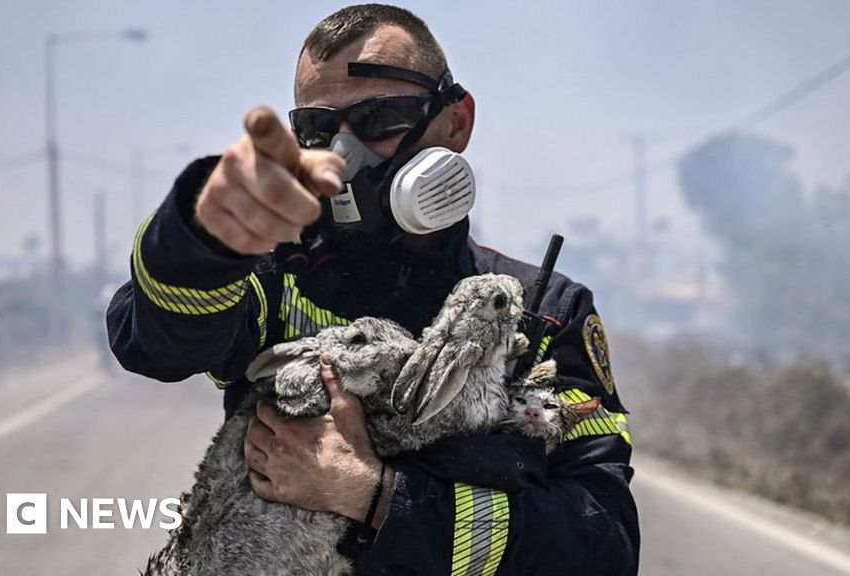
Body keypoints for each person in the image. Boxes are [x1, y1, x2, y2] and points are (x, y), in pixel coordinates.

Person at [107, 4, 639, 574]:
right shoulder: (275, 274)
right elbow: (156, 346)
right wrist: (201, 239)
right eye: (317, 129)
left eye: (379, 118)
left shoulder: (536, 315)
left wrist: (373, 495)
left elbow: (602, 547)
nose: (343, 156)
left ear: (456, 123)